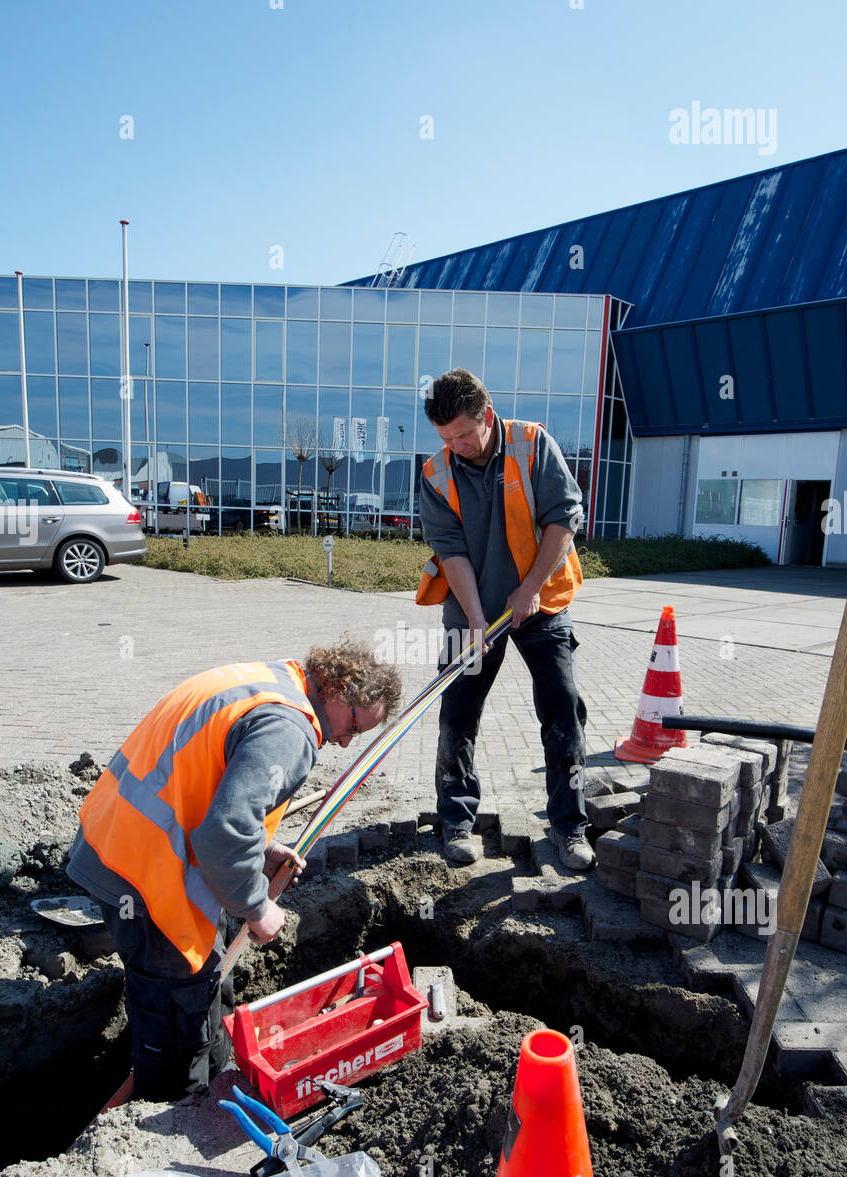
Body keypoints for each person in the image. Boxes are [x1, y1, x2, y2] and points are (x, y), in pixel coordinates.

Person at [66, 640, 401, 1100]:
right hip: (147, 879)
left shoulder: (271, 681)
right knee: (175, 1020)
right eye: (355, 726)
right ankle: (166, 1122)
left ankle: (212, 1082)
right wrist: (256, 906)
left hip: (116, 841)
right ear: (338, 689)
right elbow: (224, 832)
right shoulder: (290, 728)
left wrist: (259, 848)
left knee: (200, 994)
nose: (345, 741)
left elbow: (211, 787)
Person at [417, 367, 593, 872]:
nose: (458, 445)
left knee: (563, 711)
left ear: (487, 416)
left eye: (465, 434)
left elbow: (564, 518)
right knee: (458, 712)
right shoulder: (436, 473)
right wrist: (475, 619)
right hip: (473, 607)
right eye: (447, 437)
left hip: (540, 601)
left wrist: (529, 589)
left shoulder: (532, 444)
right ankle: (456, 821)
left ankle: (570, 828)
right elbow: (450, 552)